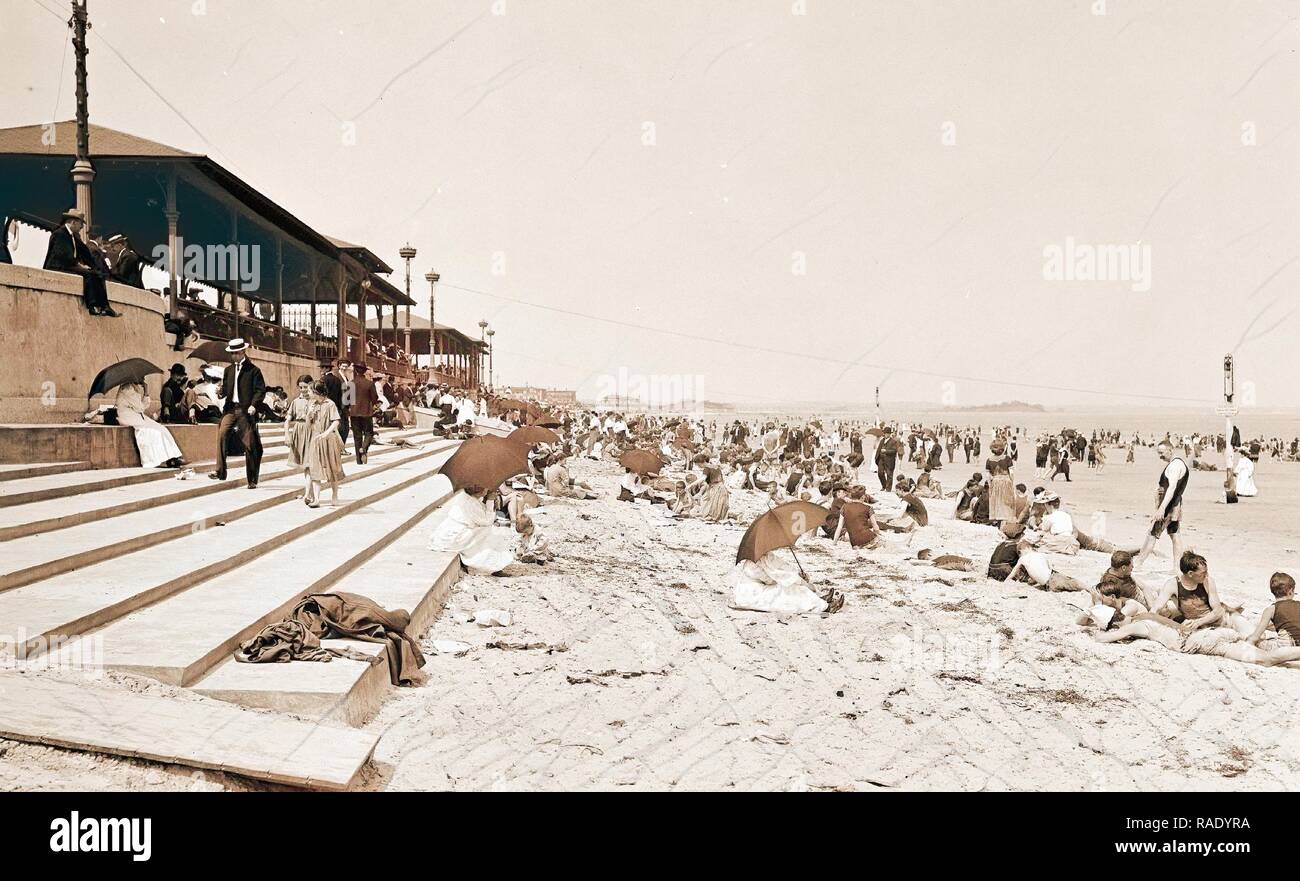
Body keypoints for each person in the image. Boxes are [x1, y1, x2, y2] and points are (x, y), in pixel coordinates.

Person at [210, 338, 265, 489]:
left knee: (250, 444)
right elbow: (227, 391)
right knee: (222, 434)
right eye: (231, 353)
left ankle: (252, 479)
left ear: (242, 352)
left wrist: (254, 405)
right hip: (230, 409)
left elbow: (260, 391)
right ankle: (220, 471)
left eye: (235, 353)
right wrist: (220, 392)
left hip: (245, 410)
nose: (233, 356)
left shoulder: (253, 370)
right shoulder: (228, 370)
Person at [42, 208, 119, 316]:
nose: (82, 227)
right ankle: (92, 306)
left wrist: (95, 267)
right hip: (58, 267)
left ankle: (105, 306)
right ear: (73, 222)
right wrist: (81, 266)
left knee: (96, 274)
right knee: (88, 274)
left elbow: (85, 253)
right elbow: (64, 256)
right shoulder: (59, 234)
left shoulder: (73, 236)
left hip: (68, 265)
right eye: (80, 224)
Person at [427, 484, 516, 575]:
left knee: (489, 531)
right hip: (455, 537)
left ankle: (491, 565)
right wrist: (490, 501)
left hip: (453, 533)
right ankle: (491, 567)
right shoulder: (470, 502)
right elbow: (487, 521)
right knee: (492, 532)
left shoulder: (467, 497)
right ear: (479, 490)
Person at [730, 550, 843, 614]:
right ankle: (825, 607)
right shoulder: (758, 560)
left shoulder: (759, 557)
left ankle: (818, 599)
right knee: (788, 590)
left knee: (790, 585)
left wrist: (797, 577)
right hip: (752, 595)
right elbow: (771, 580)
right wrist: (798, 580)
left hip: (750, 591)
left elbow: (779, 570)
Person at [1133, 441, 1189, 569]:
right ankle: (1177, 568)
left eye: (1162, 453)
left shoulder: (1175, 466)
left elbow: (1172, 488)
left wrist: (1161, 509)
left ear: (1170, 450)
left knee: (1153, 533)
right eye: (1159, 453)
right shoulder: (1176, 464)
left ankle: (1138, 563)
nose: (1160, 456)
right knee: (1175, 534)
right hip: (1175, 505)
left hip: (1169, 506)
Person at [113, 381, 185, 468]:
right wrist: (146, 391)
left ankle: (173, 456)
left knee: (161, 428)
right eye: (141, 377)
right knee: (151, 432)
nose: (143, 378)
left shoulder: (134, 387)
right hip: (128, 416)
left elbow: (143, 406)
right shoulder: (127, 388)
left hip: (137, 415)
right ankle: (161, 459)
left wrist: (145, 393)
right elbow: (140, 407)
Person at [303, 380, 345, 508]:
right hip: (316, 440)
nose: (308, 393)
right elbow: (307, 425)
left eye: (311, 391)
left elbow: (336, 421)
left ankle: (335, 495)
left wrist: (327, 433)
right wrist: (309, 413)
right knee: (315, 468)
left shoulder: (330, 404)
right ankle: (316, 499)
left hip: (328, 439)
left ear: (317, 392)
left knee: (332, 468)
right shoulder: (311, 404)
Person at [284, 374, 314, 471]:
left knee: (311, 464)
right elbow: (287, 420)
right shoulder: (296, 401)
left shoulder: (315, 400)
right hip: (299, 432)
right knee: (305, 466)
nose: (302, 390)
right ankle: (309, 486)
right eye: (300, 387)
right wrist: (287, 435)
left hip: (311, 431)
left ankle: (309, 486)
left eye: (305, 387)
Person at [350, 364, 378, 464]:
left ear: (355, 371)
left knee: (357, 436)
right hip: (366, 412)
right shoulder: (369, 384)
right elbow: (375, 398)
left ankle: (358, 460)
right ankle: (364, 448)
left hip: (354, 413)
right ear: (364, 371)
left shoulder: (351, 383)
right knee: (369, 433)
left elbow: (346, 400)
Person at [985, 438, 1015, 524]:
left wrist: (990, 484)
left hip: (995, 480)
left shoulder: (989, 460)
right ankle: (1005, 518)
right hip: (1006, 480)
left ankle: (997, 518)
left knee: (996, 500)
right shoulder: (1007, 458)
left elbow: (988, 475)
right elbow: (1012, 472)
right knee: (1006, 500)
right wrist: (1011, 481)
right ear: (1003, 448)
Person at [323, 360, 351, 443]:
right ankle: (340, 445)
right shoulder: (336, 376)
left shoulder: (346, 377)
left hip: (344, 404)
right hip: (339, 404)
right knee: (341, 427)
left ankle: (341, 445)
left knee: (344, 427)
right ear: (339, 366)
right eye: (343, 366)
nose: (344, 368)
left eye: (346, 366)